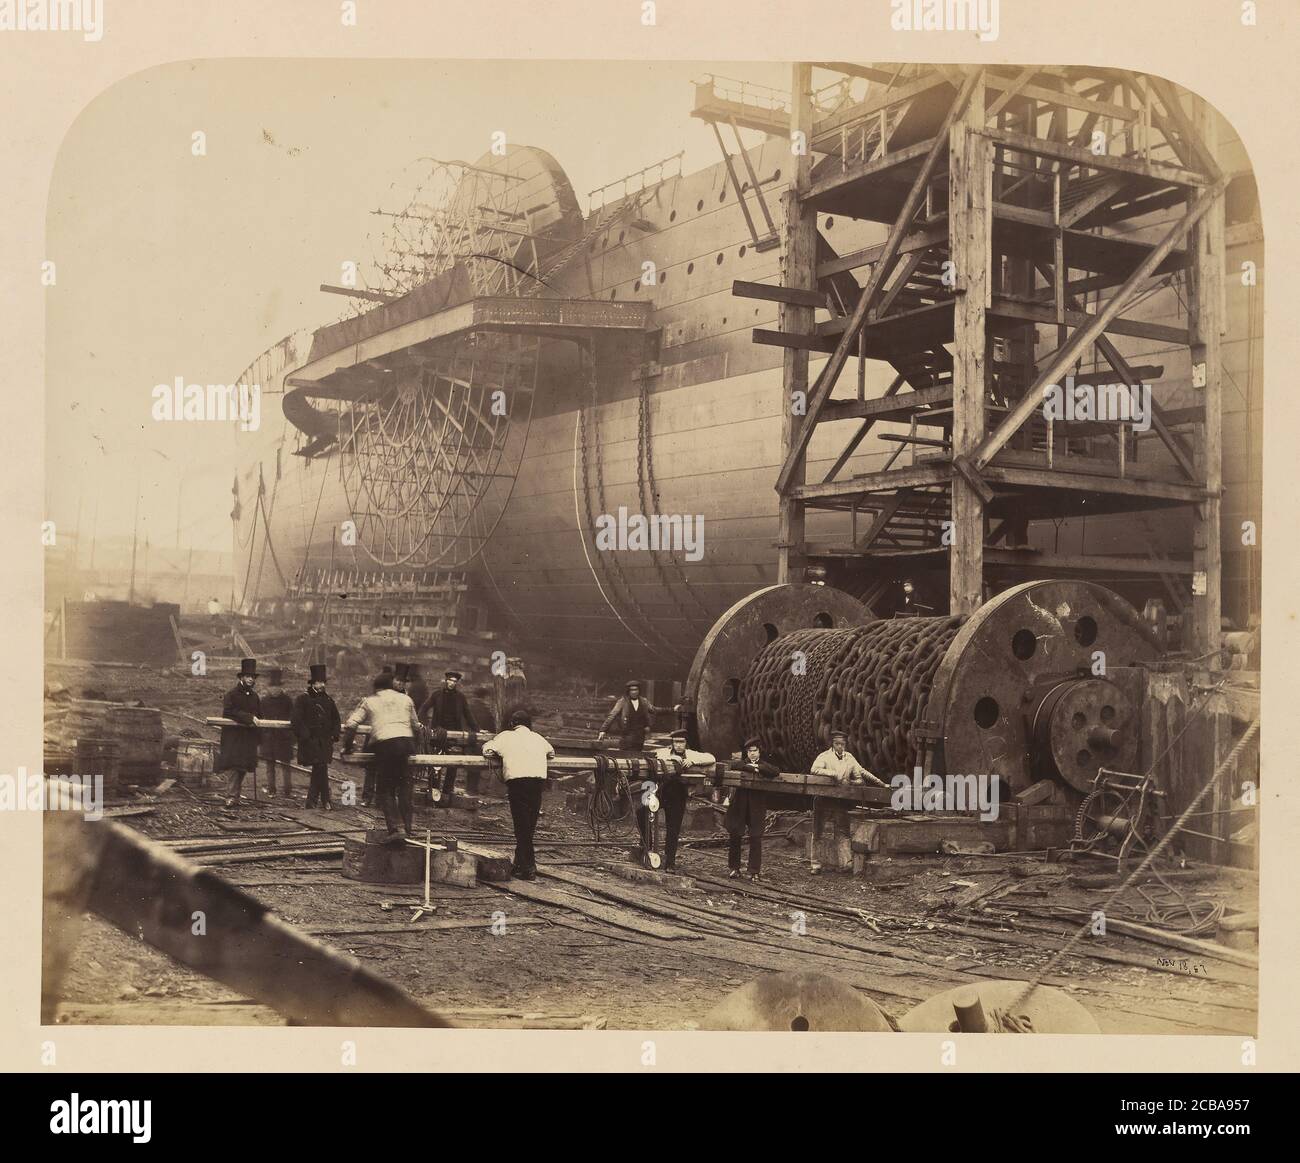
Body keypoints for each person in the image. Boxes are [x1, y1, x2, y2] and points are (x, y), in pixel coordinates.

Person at [342, 671, 419, 846]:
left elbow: (351, 724)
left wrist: (347, 747)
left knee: (385, 790)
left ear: (376, 688)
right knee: (405, 787)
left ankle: (395, 830)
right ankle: (407, 829)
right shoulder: (406, 699)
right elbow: (416, 725)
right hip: (407, 745)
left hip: (386, 746)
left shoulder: (370, 700)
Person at [481, 709, 554, 880]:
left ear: (513, 724)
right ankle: (520, 865)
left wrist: (502, 755)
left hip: (518, 782)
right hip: (537, 783)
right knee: (528, 825)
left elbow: (487, 750)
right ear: (529, 724)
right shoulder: (538, 737)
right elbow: (551, 753)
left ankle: (529, 868)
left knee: (521, 827)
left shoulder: (506, 736)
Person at [641, 730, 715, 872]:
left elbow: (711, 757)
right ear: (672, 743)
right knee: (641, 812)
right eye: (676, 742)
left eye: (681, 742)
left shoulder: (692, 754)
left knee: (673, 829)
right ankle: (647, 847)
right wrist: (673, 759)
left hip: (678, 795)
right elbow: (654, 754)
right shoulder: (665, 752)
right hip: (662, 792)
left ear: (686, 743)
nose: (679, 745)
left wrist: (692, 761)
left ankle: (670, 863)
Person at [726, 736, 780, 882]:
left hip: (756, 805)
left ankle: (754, 870)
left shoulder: (764, 764)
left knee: (756, 837)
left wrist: (758, 768)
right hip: (740, 804)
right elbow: (733, 765)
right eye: (749, 752)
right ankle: (734, 868)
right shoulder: (743, 763)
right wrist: (749, 767)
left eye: (755, 751)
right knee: (735, 835)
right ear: (747, 753)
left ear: (759, 752)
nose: (752, 754)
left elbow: (775, 771)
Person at [419, 670, 480, 798]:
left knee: (453, 764)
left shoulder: (460, 698)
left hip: (454, 735)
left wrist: (476, 730)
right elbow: (424, 709)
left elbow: (468, 714)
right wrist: (424, 725)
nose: (452, 683)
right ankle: (434, 789)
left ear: (456, 683)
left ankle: (447, 790)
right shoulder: (437, 695)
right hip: (438, 734)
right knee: (436, 763)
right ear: (446, 681)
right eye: (450, 680)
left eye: (454, 681)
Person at [292, 663, 341, 810]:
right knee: (320, 767)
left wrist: (335, 734)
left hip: (325, 741)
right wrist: (305, 735)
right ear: (313, 683)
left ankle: (313, 801)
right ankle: (325, 800)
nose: (321, 685)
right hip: (310, 741)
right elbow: (296, 719)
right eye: (318, 682)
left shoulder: (329, 701)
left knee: (320, 768)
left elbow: (336, 719)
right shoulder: (303, 699)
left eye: (323, 682)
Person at [218, 658, 261, 807]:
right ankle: (230, 796)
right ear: (241, 677)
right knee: (235, 767)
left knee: (243, 767)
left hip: (248, 738)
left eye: (253, 677)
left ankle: (236, 797)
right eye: (248, 676)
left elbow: (259, 715)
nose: (250, 679)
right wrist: (249, 717)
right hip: (234, 737)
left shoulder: (255, 696)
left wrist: (258, 729)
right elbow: (229, 712)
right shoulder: (232, 694)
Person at [258, 667, 295, 798]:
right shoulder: (285, 700)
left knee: (275, 766)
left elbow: (293, 718)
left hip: (276, 738)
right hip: (275, 738)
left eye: (276, 687)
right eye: (273, 687)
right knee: (279, 766)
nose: (274, 690)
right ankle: (280, 790)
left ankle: (280, 790)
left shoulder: (284, 700)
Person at [598, 681, 665, 753]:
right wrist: (603, 730)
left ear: (639, 690)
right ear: (628, 691)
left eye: (636, 689)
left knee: (637, 757)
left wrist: (672, 709)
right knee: (625, 756)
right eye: (631, 690)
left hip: (640, 737)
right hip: (627, 736)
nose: (634, 692)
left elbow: (654, 710)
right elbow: (612, 715)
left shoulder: (643, 701)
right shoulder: (622, 701)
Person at [811, 730, 887, 786]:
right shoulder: (824, 756)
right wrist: (834, 774)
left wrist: (882, 784)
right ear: (832, 744)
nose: (840, 746)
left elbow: (862, 772)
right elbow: (814, 770)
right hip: (828, 792)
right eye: (837, 744)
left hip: (845, 794)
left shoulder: (849, 757)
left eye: (842, 744)